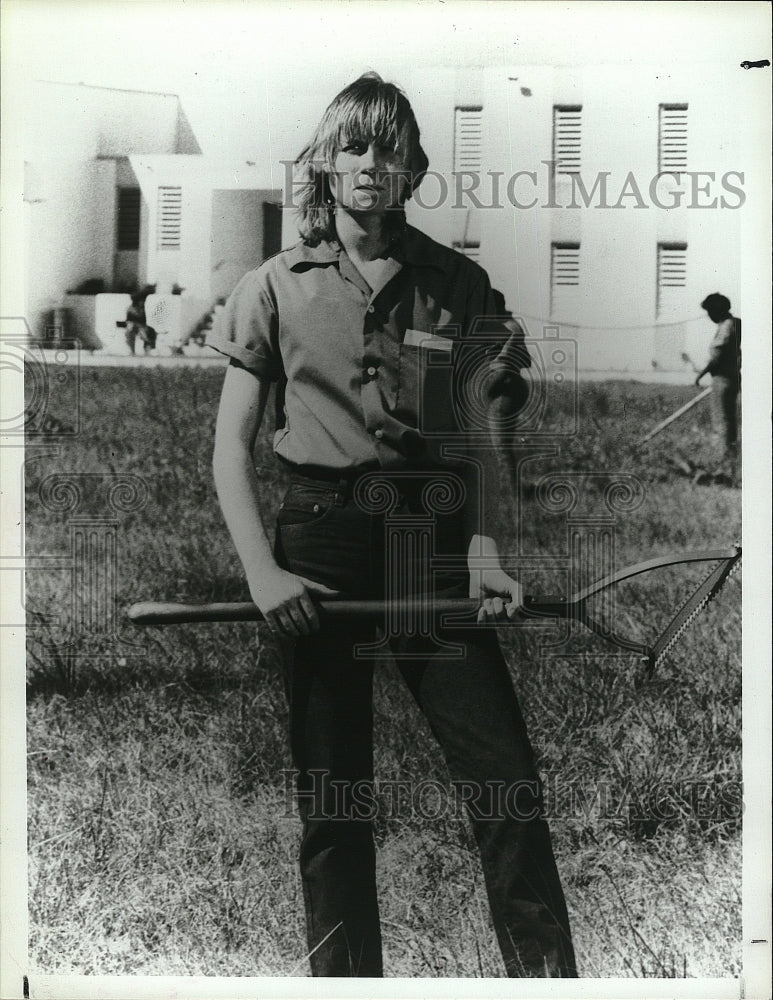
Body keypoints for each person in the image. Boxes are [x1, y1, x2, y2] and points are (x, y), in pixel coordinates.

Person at [209, 73, 576, 979]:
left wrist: (483, 551)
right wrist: (263, 572)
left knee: (505, 783)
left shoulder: (458, 283)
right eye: (354, 146)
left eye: (390, 148)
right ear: (325, 165)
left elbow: (479, 435)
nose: (372, 163)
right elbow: (229, 447)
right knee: (334, 800)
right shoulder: (272, 286)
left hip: (428, 544)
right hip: (320, 543)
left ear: (414, 167)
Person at [695, 293, 741, 478]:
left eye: (709, 311)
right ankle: (729, 460)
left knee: (721, 421)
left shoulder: (726, 326)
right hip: (732, 378)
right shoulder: (736, 323)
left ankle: (722, 463)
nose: (709, 316)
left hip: (722, 379)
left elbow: (717, 356)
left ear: (716, 310)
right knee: (728, 420)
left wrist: (701, 374)